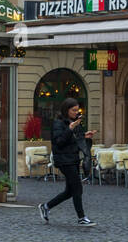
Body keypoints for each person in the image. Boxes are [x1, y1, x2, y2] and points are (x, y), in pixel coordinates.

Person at [40, 97, 96, 226]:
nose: (76, 112)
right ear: (66, 110)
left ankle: (46, 206)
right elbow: (59, 142)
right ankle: (81, 217)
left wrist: (85, 135)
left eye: (77, 110)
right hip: (64, 160)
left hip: (73, 158)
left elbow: (75, 139)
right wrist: (70, 128)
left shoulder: (74, 122)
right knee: (77, 187)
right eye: (73, 110)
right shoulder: (58, 123)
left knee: (69, 191)